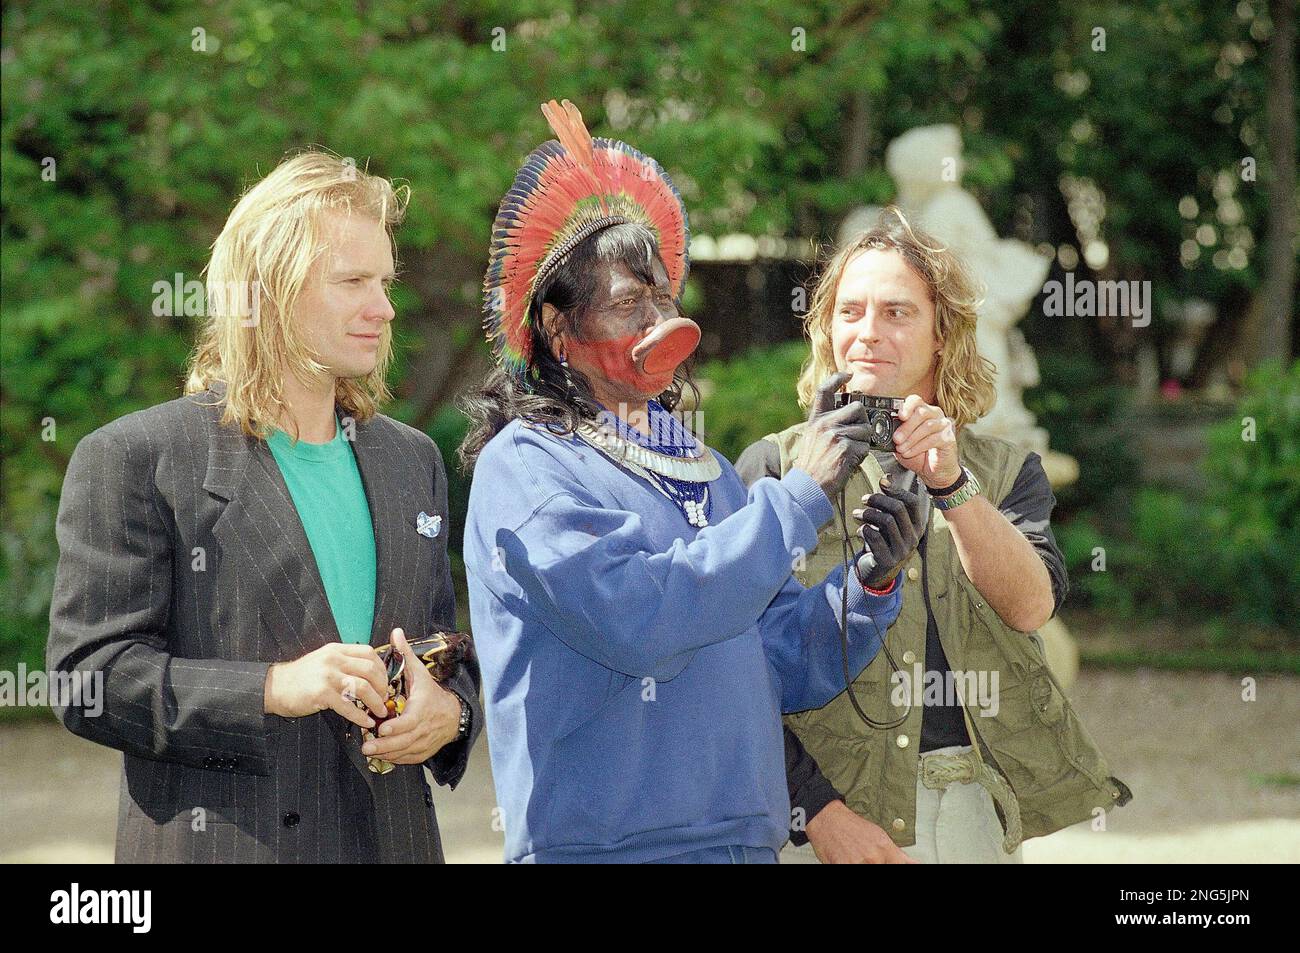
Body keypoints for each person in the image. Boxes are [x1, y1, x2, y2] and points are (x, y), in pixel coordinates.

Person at [459, 100, 926, 864]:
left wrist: (869, 582)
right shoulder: (528, 465)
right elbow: (644, 617)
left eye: (663, 298)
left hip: (741, 843)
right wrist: (798, 496)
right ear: (554, 329)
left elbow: (782, 661)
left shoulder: (699, 463)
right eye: (626, 304)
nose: (657, 321)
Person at [46, 151, 482, 863]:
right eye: (353, 283)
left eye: (385, 282)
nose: (385, 306)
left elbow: (445, 645)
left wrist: (451, 713)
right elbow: (87, 679)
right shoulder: (136, 459)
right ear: (269, 292)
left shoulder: (412, 460)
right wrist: (273, 688)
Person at [736, 207, 1131, 864]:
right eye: (851, 311)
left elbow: (1032, 606)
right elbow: (731, 666)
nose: (868, 332)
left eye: (897, 312)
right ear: (828, 330)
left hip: (973, 816)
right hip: (822, 824)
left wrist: (953, 485)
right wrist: (818, 812)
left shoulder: (1007, 470)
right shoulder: (772, 467)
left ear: (941, 333)